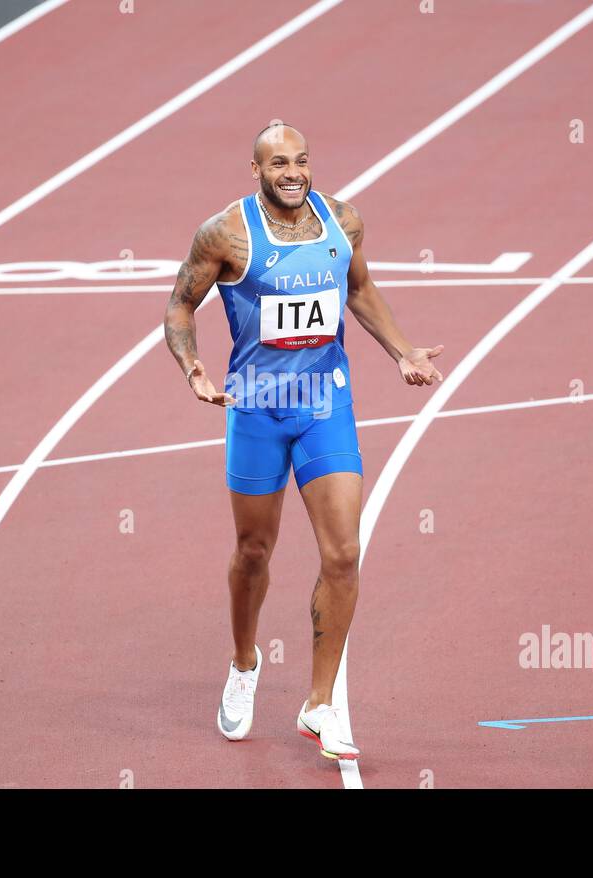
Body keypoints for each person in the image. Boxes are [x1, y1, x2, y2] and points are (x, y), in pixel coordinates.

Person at [162, 122, 444, 761]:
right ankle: (243, 663)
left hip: (325, 405)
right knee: (254, 552)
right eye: (279, 162)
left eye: (303, 160)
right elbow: (181, 305)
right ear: (256, 169)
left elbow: (359, 288)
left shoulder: (343, 221)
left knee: (343, 552)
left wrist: (402, 350)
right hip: (257, 408)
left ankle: (319, 704)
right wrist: (194, 369)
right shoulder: (225, 235)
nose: (293, 172)